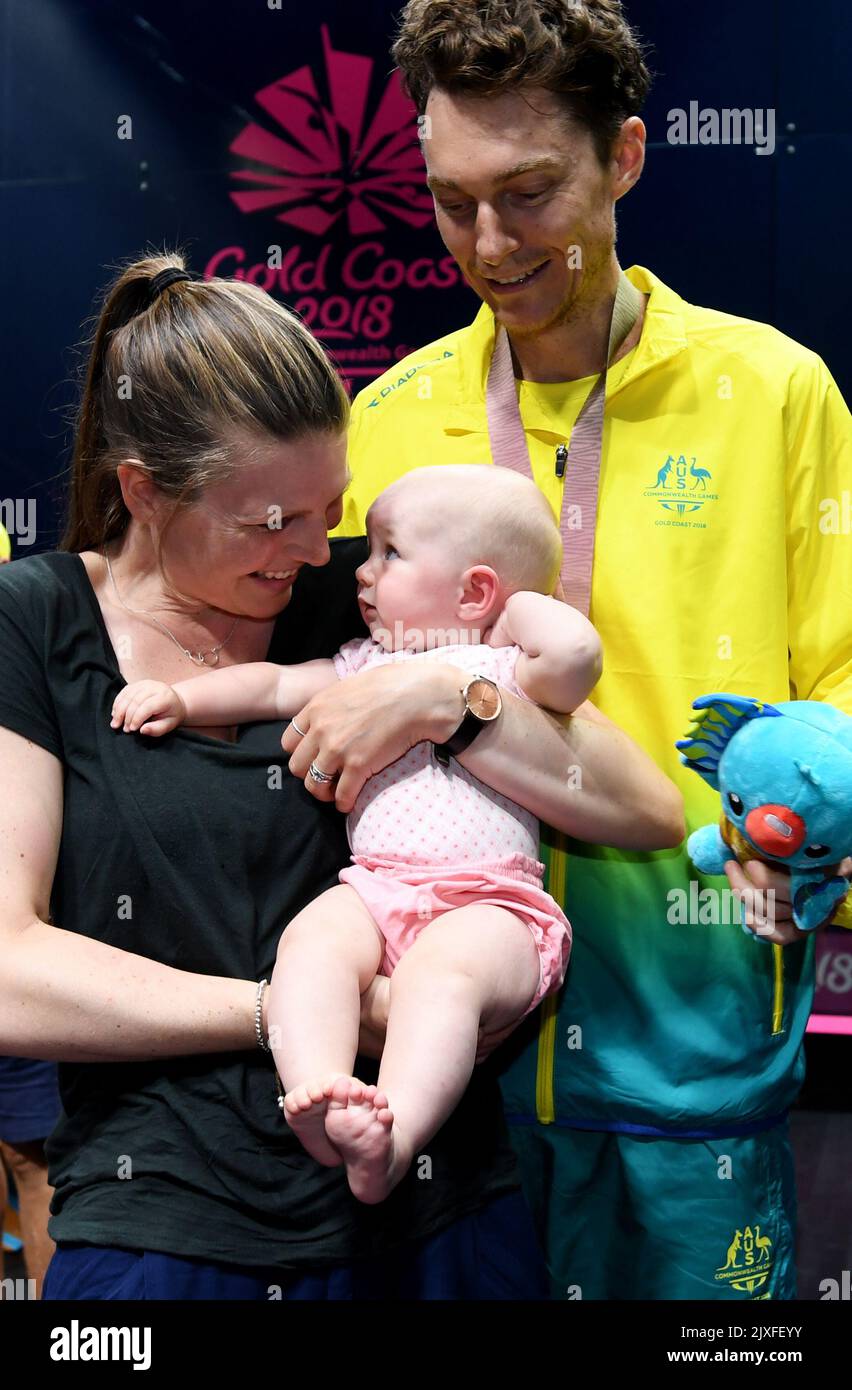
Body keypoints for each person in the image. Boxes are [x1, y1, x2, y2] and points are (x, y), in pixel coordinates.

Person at [0, 253, 682, 1300]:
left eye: (330, 509)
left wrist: (452, 700)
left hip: (437, 1213)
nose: (318, 552)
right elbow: (10, 969)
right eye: (273, 521)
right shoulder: (37, 620)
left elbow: (641, 807)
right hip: (167, 1225)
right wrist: (286, 1008)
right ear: (140, 489)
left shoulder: (375, 594)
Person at [332, 0, 852, 1299]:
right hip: (449, 1074)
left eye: (529, 193)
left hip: (694, 1057)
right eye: (453, 204)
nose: (492, 245)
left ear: (624, 156)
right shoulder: (385, 421)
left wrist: (810, 849)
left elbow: (841, 698)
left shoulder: (776, 396)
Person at [110, 465, 607, 1204]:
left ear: (475, 591)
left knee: (443, 978)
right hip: (376, 891)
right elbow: (274, 687)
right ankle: (320, 1090)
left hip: (491, 905)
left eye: (388, 553)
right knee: (308, 947)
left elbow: (575, 658)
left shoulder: (504, 669)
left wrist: (525, 602)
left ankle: (397, 1133)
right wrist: (183, 696)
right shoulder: (360, 663)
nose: (361, 572)